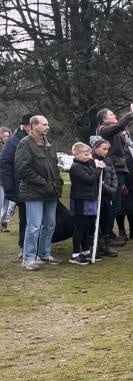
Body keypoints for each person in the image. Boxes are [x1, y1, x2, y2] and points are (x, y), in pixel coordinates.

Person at [14, 115, 63, 270]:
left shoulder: (48, 144)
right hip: (34, 191)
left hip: (51, 191)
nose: (47, 127)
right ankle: (28, 258)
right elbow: (22, 169)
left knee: (50, 224)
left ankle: (44, 253)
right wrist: (42, 182)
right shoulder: (25, 144)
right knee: (34, 226)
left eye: (48, 124)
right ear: (33, 126)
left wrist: (57, 183)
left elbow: (54, 166)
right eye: (44, 124)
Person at [95, 103, 133, 245]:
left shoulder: (114, 131)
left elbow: (120, 133)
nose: (115, 116)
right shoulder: (103, 130)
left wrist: (124, 136)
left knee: (117, 205)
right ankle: (106, 235)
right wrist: (131, 113)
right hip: (112, 168)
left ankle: (108, 234)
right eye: (111, 115)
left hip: (119, 168)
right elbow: (118, 126)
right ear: (104, 119)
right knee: (112, 204)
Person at [68, 142, 102, 265]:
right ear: (77, 154)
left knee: (87, 226)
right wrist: (98, 169)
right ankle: (75, 254)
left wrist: (94, 164)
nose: (88, 156)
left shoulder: (88, 165)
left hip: (90, 199)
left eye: (89, 154)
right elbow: (90, 179)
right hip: (80, 200)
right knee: (80, 226)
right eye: (85, 154)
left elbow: (94, 174)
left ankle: (86, 251)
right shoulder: (76, 167)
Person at [0, 114, 32, 243]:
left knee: (8, 205)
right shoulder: (14, 142)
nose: (6, 138)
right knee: (3, 202)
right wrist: (9, 187)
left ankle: (4, 221)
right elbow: (5, 163)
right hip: (11, 182)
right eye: (5, 136)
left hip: (28, 186)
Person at [90, 136, 119, 258]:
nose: (106, 151)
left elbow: (113, 176)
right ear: (95, 148)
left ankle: (104, 244)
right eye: (103, 149)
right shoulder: (91, 160)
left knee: (107, 220)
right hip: (95, 197)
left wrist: (111, 190)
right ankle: (93, 245)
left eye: (107, 149)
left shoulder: (108, 160)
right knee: (95, 221)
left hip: (107, 196)